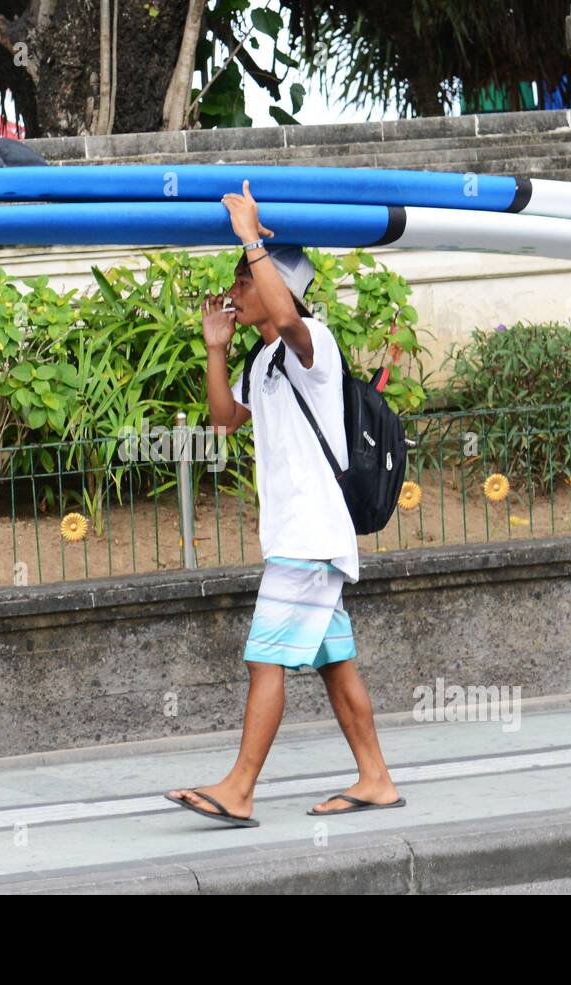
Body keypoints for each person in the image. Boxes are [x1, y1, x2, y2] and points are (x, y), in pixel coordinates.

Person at [164, 180, 405, 826]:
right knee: (334, 662)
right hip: (304, 536)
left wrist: (251, 235)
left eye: (243, 282)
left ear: (277, 286)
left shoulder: (312, 345)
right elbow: (223, 420)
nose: (235, 292)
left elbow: (291, 319)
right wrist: (216, 347)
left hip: (310, 535)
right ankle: (376, 776)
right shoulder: (264, 360)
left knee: (265, 654)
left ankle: (240, 787)